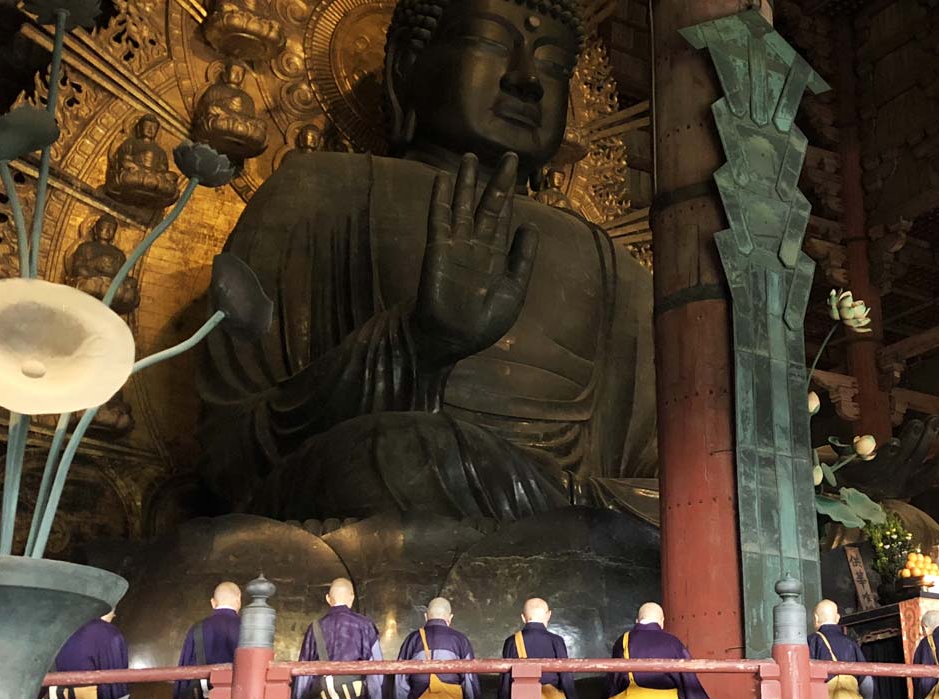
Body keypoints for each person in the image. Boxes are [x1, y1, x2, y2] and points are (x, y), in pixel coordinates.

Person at [197, 0, 658, 526]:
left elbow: (660, 476)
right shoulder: (317, 190)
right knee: (403, 452)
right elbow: (227, 458)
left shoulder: (612, 265)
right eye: (491, 41)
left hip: (564, 513)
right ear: (404, 67)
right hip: (379, 491)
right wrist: (414, 342)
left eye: (552, 64)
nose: (527, 80)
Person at [291, 578, 384, 699]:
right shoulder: (365, 626)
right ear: (352, 597)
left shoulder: (314, 628)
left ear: (328, 598)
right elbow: (376, 672)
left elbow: (303, 673)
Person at [606, 602, 709, 699]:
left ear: (637, 621)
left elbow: (614, 682)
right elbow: (688, 680)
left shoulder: (624, 640)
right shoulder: (673, 642)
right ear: (662, 621)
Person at [393, 597, 479, 699]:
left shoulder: (412, 639)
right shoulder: (460, 640)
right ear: (450, 618)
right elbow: (469, 681)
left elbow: (400, 681)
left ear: (426, 617)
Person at [173, 582, 243, 699]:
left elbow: (184, 671)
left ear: (213, 602)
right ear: (239, 600)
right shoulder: (248, 629)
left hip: (204, 694)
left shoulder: (197, 629)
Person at [499, 598, 577, 699]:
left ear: (523, 617)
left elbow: (505, 681)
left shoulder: (511, 641)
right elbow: (565, 677)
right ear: (548, 615)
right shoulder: (556, 641)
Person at [48, 610, 130, 699]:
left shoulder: (58, 628)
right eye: (113, 613)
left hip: (61, 691)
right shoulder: (108, 633)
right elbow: (116, 684)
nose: (114, 616)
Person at [809, 600, 873, 699]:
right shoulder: (851, 643)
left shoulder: (812, 641)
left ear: (816, 618)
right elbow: (866, 682)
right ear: (837, 618)